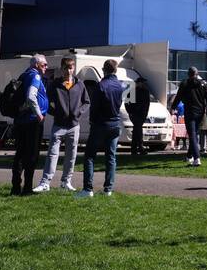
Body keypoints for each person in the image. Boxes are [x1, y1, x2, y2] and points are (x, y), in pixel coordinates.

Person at [35, 56, 88, 192]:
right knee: (52, 154)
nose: (68, 71)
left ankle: (66, 182)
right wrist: (56, 112)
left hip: (74, 126)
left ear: (73, 68)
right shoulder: (55, 84)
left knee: (71, 155)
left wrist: (78, 112)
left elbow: (86, 102)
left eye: (70, 68)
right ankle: (45, 183)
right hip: (58, 125)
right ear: (61, 69)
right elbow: (46, 102)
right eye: (65, 68)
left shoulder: (80, 84)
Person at [79, 58, 124, 197]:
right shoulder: (120, 85)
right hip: (115, 124)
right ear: (115, 70)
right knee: (111, 157)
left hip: (100, 124)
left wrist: (92, 121)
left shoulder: (101, 85)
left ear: (104, 70)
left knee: (90, 156)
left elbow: (94, 107)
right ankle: (108, 189)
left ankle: (88, 189)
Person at [11, 54, 50, 195]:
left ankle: (15, 187)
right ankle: (27, 188)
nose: (46, 67)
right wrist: (39, 113)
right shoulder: (35, 76)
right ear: (36, 65)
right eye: (44, 64)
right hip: (32, 120)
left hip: (21, 120)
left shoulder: (23, 75)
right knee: (32, 155)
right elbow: (31, 95)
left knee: (20, 153)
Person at [173, 66, 207, 167]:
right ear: (197, 73)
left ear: (188, 74)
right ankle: (189, 156)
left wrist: (173, 107)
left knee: (192, 135)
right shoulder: (203, 83)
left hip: (189, 111)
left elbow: (178, 96)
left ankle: (197, 158)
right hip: (200, 112)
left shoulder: (185, 83)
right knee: (194, 133)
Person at [127, 76, 151, 155]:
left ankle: (134, 149)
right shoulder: (133, 91)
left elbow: (147, 104)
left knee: (136, 131)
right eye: (142, 82)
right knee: (138, 130)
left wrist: (145, 113)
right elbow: (127, 103)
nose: (143, 84)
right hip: (135, 114)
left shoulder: (145, 91)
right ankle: (140, 147)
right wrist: (130, 112)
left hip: (142, 114)